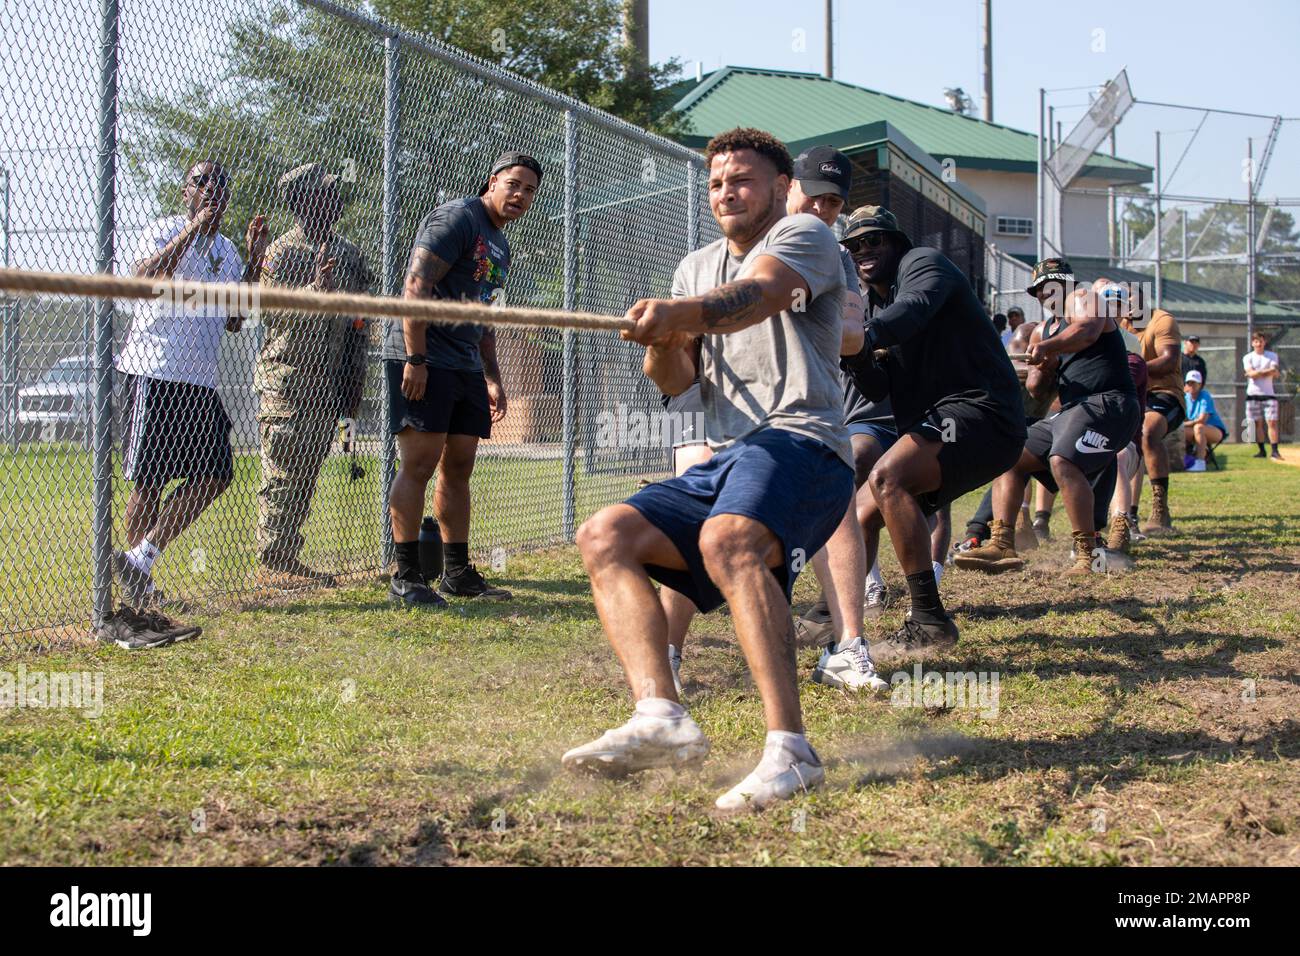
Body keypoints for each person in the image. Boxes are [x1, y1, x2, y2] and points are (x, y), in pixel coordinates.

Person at [563, 128, 853, 810]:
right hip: (729, 454)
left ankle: (792, 750)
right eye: (718, 182)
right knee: (605, 534)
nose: (727, 191)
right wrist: (661, 342)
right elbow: (678, 381)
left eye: (744, 179)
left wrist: (682, 314)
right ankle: (661, 717)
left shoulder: (804, 236)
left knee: (729, 539)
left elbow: (755, 297)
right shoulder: (693, 269)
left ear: (783, 188)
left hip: (804, 443)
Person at [839, 207, 1025, 660]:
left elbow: (915, 310)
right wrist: (856, 357)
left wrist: (861, 335)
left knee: (888, 478)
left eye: (874, 240)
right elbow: (880, 386)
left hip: (984, 411)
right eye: (855, 244)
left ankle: (928, 617)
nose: (864, 250)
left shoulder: (922, 264)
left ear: (896, 242)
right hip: (943, 419)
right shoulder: (875, 305)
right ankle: (832, 615)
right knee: (859, 513)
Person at [383, 151, 540, 608]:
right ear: (492, 182)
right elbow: (416, 287)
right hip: (425, 356)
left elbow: (484, 314)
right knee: (419, 462)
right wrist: (416, 358)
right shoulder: (457, 218)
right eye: (513, 184)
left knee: (460, 465)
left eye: (529, 190)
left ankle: (456, 573)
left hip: (466, 363)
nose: (520, 195)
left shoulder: (501, 244)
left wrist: (492, 375)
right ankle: (407, 576)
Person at [113, 160, 268, 610]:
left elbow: (238, 319)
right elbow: (143, 282)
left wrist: (254, 259)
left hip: (200, 380)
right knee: (149, 482)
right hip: (153, 369)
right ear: (187, 193)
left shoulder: (228, 252)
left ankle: (138, 560)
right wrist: (191, 231)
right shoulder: (163, 230)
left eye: (221, 184)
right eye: (203, 183)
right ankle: (137, 586)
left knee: (217, 473)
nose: (213, 189)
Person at [956, 271, 1139, 578]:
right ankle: (1002, 544)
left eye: (1049, 286)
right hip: (1072, 410)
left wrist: (1050, 347)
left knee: (1062, 459)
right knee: (1011, 454)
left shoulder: (1086, 300)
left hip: (1109, 402)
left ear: (1067, 284)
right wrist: (1045, 366)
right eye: (1039, 290)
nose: (1044, 294)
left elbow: (1089, 332)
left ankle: (1088, 554)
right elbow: (1037, 390)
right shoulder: (1045, 329)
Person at [255, 163, 375, 589]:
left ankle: (286, 554)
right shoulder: (283, 253)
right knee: (284, 471)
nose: (338, 200)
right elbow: (271, 311)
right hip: (288, 383)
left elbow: (362, 316)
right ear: (304, 201)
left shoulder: (349, 254)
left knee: (307, 472)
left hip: (330, 384)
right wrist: (313, 291)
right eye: (327, 193)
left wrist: (355, 376)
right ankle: (272, 558)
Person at [1131, 288, 1184, 535]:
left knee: (1147, 431)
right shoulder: (1116, 325)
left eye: (1133, 303)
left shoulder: (1162, 321)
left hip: (1164, 393)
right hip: (1130, 394)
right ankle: (1124, 513)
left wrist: (1130, 369)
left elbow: (1169, 360)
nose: (1128, 310)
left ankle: (1159, 508)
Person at [1244, 330, 1283, 459]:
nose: (1259, 344)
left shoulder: (1272, 355)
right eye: (1256, 341)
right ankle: (1262, 451)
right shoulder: (1247, 357)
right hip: (1253, 394)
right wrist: (1267, 372)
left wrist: (1257, 373)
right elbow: (1251, 373)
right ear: (1252, 343)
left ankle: (1275, 450)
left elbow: (1273, 370)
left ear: (1264, 342)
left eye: (1261, 341)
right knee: (1257, 423)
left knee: (1271, 422)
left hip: (1269, 394)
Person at [1182, 370, 1225, 472]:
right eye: (1189, 383)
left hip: (1215, 431)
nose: (1191, 385)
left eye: (1194, 383)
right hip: (1194, 430)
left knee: (1199, 427)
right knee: (1176, 432)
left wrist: (1183, 424)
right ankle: (1180, 460)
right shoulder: (1185, 398)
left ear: (1200, 384)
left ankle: (1200, 463)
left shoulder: (1205, 396)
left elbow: (1202, 420)